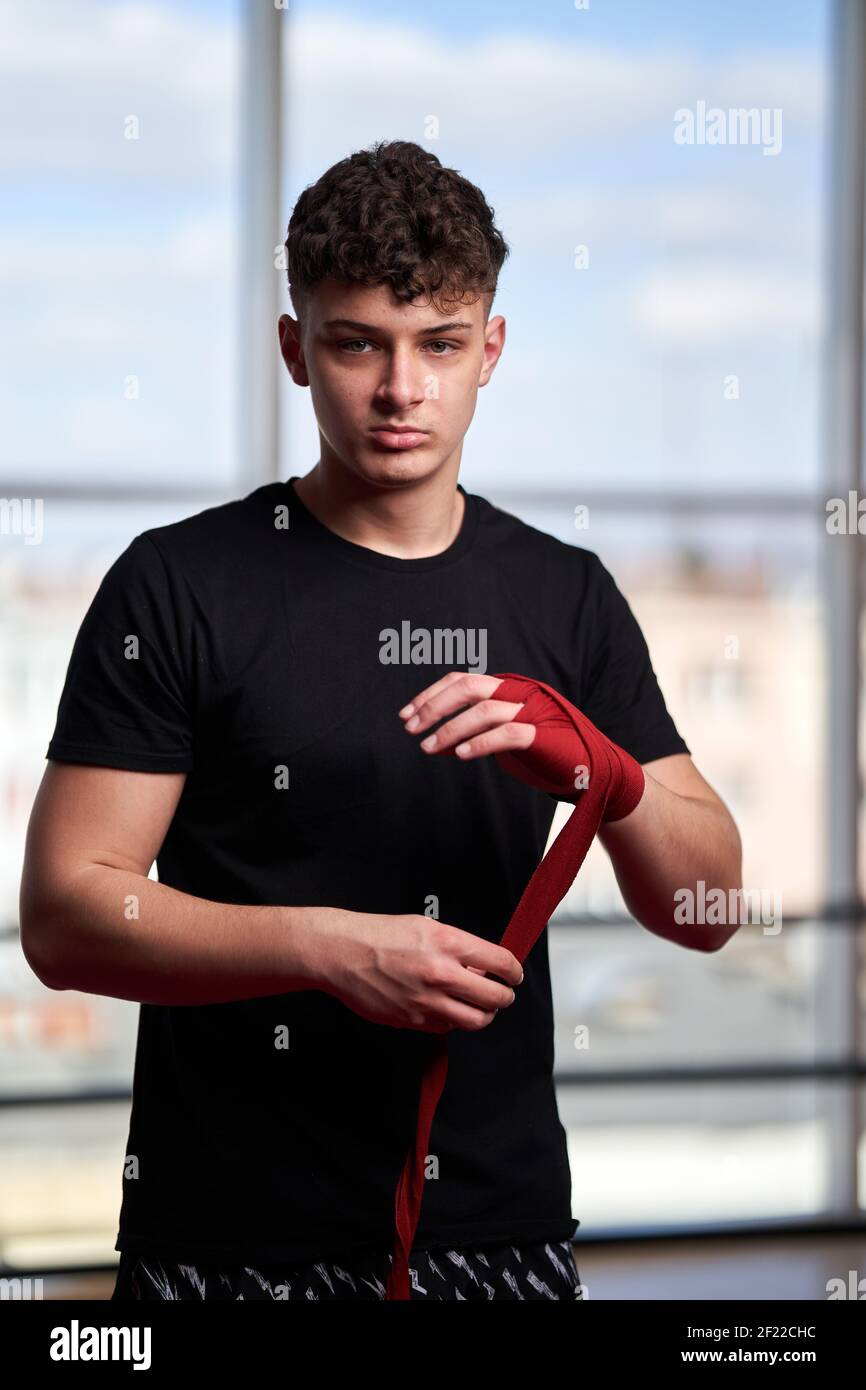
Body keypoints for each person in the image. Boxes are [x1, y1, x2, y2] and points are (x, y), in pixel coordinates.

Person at [20, 139, 742, 1302]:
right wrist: (329, 950)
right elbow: (64, 916)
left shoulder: (563, 594)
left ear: (488, 351)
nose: (402, 390)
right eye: (358, 343)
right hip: (227, 1235)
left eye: (440, 346)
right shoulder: (178, 584)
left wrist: (606, 769)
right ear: (296, 350)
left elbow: (706, 908)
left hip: (497, 1226)